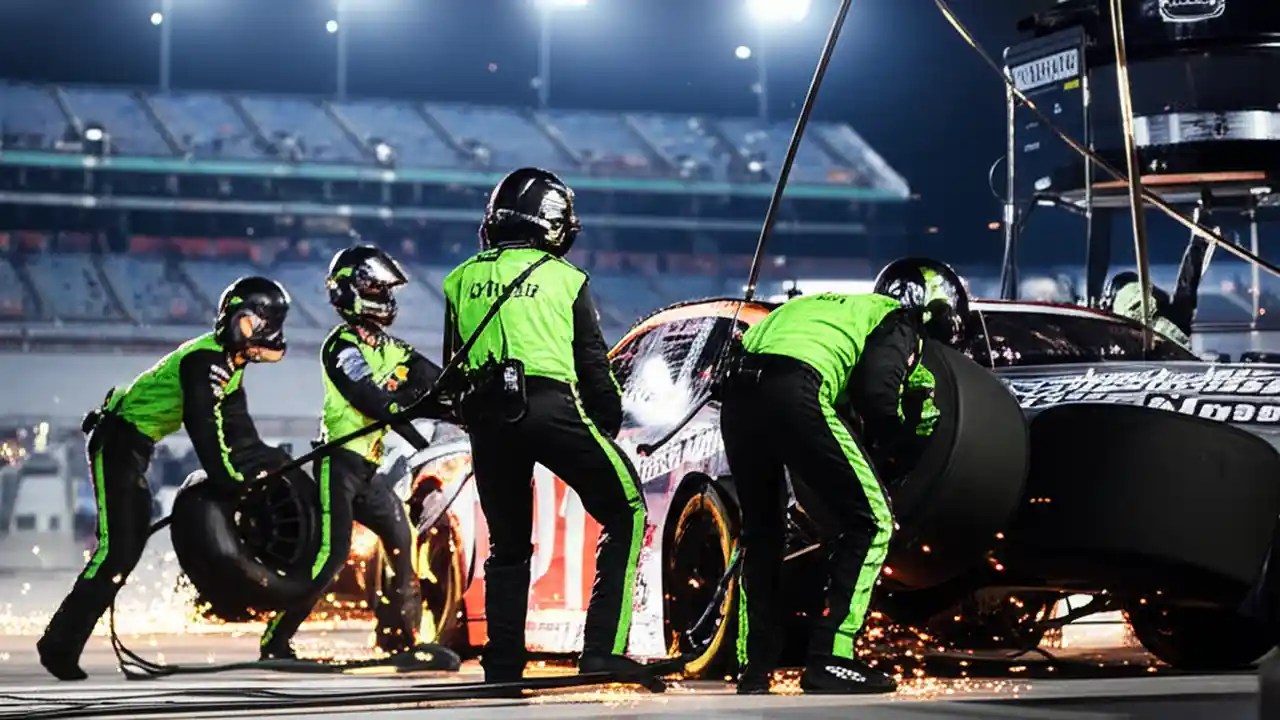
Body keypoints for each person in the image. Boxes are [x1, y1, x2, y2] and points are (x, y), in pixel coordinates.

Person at [441, 167, 648, 683]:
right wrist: (605, 428)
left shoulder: (459, 278)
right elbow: (596, 375)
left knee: (507, 545)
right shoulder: (567, 279)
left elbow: (451, 370)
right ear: (555, 226)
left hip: (487, 417)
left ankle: (503, 664)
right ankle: (601, 648)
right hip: (550, 407)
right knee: (626, 511)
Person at [37, 277, 293, 681]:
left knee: (128, 548)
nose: (255, 333)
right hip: (118, 441)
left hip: (137, 449)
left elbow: (241, 434)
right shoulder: (205, 360)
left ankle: (61, 643)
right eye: (249, 322)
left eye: (262, 325)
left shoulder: (230, 369)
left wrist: (275, 469)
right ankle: (58, 646)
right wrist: (229, 480)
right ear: (235, 318)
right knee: (116, 553)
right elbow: (203, 427)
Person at [720, 277, 949, 695]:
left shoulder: (818, 307)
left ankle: (754, 669)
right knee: (872, 520)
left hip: (738, 398)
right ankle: (832, 658)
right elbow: (879, 395)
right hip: (796, 389)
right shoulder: (897, 319)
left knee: (762, 533)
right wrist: (896, 441)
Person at [259, 245, 447, 660]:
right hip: (337, 465)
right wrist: (407, 416)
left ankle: (398, 639)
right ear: (348, 292)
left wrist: (467, 404)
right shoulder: (340, 346)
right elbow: (368, 397)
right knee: (331, 557)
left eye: (385, 289)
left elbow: (435, 384)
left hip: (368, 472)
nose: (384, 296)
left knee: (402, 539)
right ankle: (275, 639)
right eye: (374, 287)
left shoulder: (392, 348)